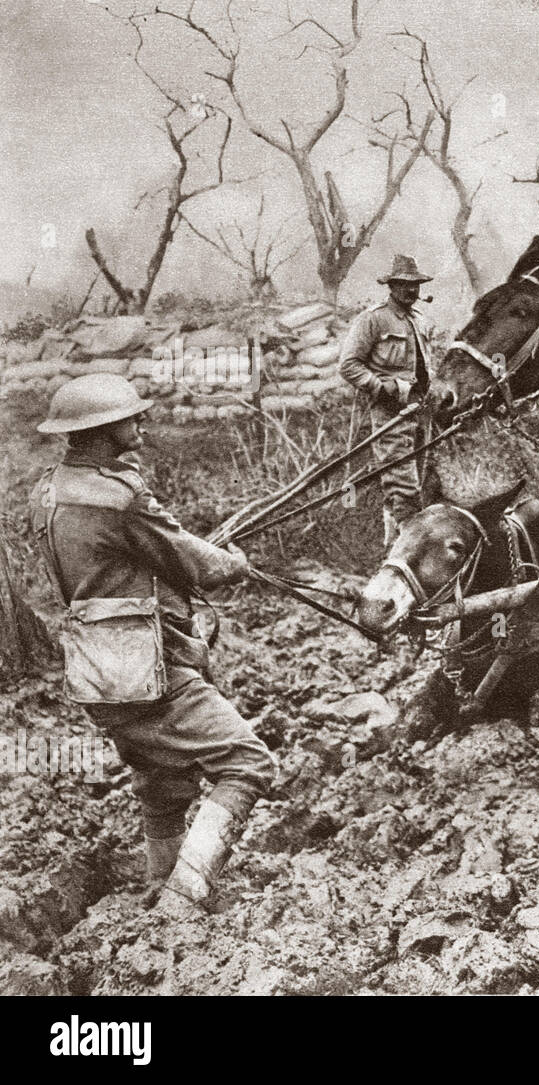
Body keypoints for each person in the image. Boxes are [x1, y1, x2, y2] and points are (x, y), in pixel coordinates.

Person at [29, 374, 275, 916]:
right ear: (99, 429)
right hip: (152, 662)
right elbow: (194, 564)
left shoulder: (49, 489)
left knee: (163, 779)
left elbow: (118, 561)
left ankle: (159, 880)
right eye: (130, 416)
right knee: (248, 763)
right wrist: (232, 563)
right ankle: (185, 897)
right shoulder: (118, 498)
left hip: (100, 670)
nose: (141, 421)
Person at [339, 254, 447, 545]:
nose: (411, 291)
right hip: (391, 415)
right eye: (404, 284)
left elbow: (425, 365)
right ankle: (408, 557)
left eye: (416, 285)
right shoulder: (373, 319)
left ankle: (390, 548)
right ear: (391, 286)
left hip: (421, 413)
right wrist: (381, 387)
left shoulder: (420, 321)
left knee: (415, 484)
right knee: (404, 488)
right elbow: (348, 366)